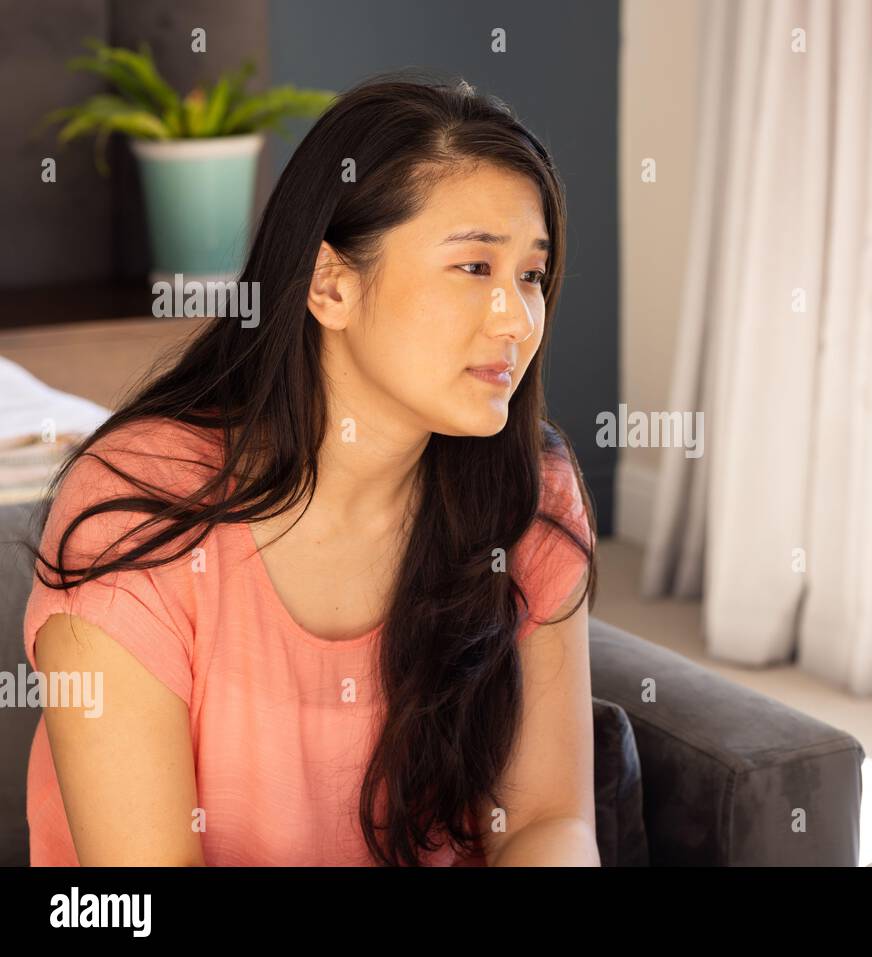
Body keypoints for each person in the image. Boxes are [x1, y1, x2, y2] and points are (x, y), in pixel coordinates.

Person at [23, 76, 599, 867]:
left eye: (530, 276)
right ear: (331, 284)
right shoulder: (139, 509)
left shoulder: (528, 494)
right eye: (474, 268)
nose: (518, 317)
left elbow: (548, 821)